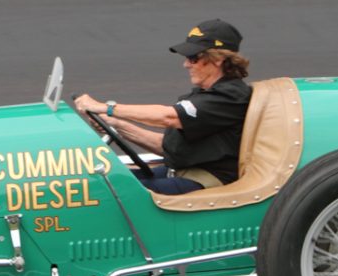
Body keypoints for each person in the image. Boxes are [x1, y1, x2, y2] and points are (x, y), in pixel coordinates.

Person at [73, 19, 252, 195]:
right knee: (99, 184)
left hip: (208, 180)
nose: (186, 64)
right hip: (183, 171)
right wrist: (117, 126)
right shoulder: (206, 94)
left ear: (218, 59)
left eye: (193, 58)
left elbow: (168, 117)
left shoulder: (228, 97)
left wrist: (106, 107)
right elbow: (166, 146)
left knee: (112, 194)